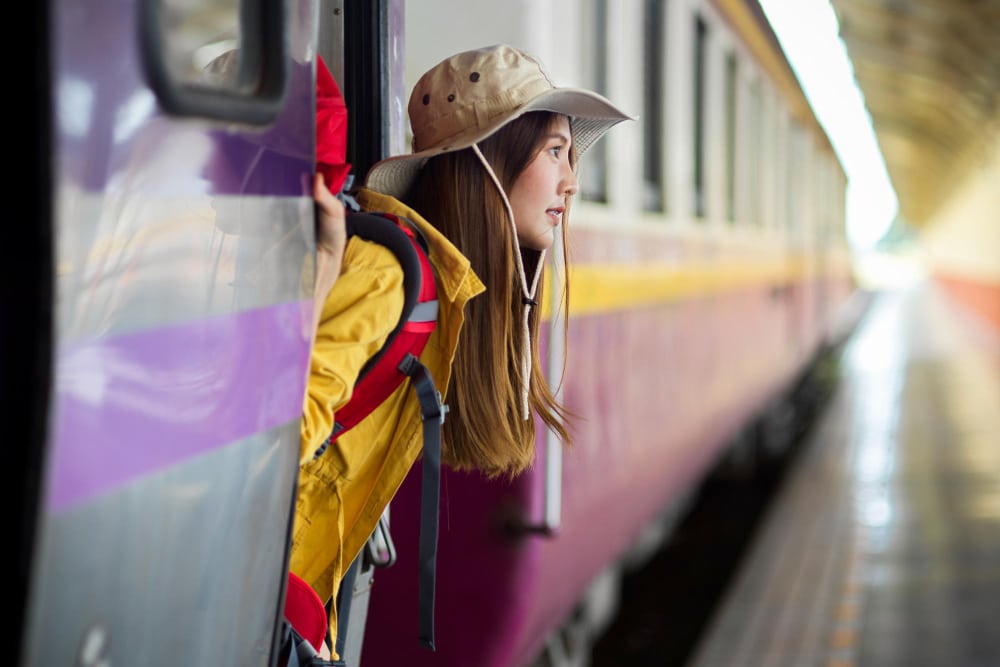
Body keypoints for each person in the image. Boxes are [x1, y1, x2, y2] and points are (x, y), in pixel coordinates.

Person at [293, 44, 633, 660]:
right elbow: (278, 454)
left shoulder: (446, 291)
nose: (572, 182)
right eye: (556, 151)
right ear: (488, 160)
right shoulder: (388, 276)